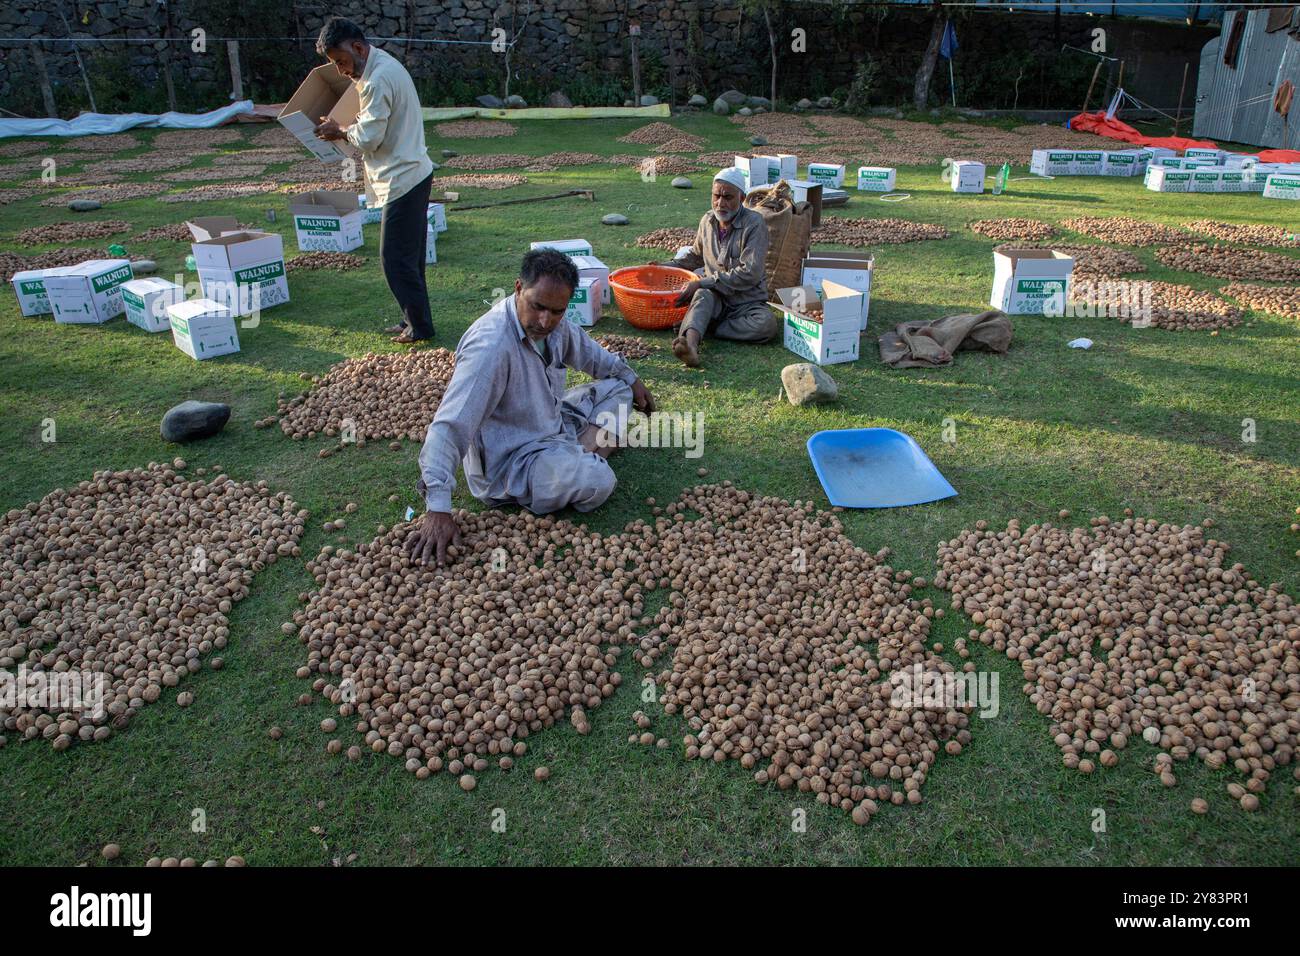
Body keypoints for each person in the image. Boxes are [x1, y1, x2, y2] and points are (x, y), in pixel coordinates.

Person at [405, 250, 656, 565]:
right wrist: (438, 508)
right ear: (518, 289)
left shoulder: (554, 324)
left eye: (557, 311)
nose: (545, 321)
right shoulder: (491, 348)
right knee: (599, 481)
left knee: (617, 388)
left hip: (552, 423)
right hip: (511, 462)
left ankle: (574, 457)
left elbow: (593, 356)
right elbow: (449, 426)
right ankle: (580, 460)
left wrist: (631, 380)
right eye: (538, 307)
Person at [312, 16, 436, 344]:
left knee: (394, 259)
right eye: (335, 64)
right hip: (412, 171)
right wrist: (343, 124)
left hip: (404, 177)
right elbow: (371, 120)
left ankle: (420, 328)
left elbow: (368, 138)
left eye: (342, 61)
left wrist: (339, 131)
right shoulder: (377, 66)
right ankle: (414, 319)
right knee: (409, 258)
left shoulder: (378, 77)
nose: (341, 70)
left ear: (357, 47)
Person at [658, 167, 777, 368]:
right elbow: (695, 256)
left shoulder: (754, 224)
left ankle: (707, 326)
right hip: (715, 297)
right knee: (703, 295)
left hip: (745, 301)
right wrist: (663, 268)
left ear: (742, 198)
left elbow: (750, 273)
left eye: (728, 197)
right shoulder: (707, 220)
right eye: (716, 196)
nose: (720, 203)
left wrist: (703, 282)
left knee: (767, 325)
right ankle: (691, 347)